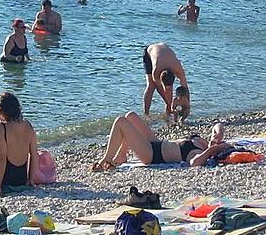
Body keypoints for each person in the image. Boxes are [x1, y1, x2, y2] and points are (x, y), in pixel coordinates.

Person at [91, 112, 228, 170]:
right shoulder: (203, 142)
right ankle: (122, 154)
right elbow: (218, 125)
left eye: (218, 145)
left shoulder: (199, 153)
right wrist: (218, 134)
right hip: (157, 143)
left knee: (121, 121)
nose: (215, 141)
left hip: (152, 155)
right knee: (130, 116)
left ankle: (106, 159)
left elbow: (194, 164)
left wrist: (213, 149)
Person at [142, 42, 189, 116]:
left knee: (168, 90)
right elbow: (159, 88)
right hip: (149, 53)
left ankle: (167, 113)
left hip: (164, 52)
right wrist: (169, 103)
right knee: (151, 85)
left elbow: (185, 87)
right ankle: (146, 113)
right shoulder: (156, 71)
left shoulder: (178, 69)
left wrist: (187, 105)